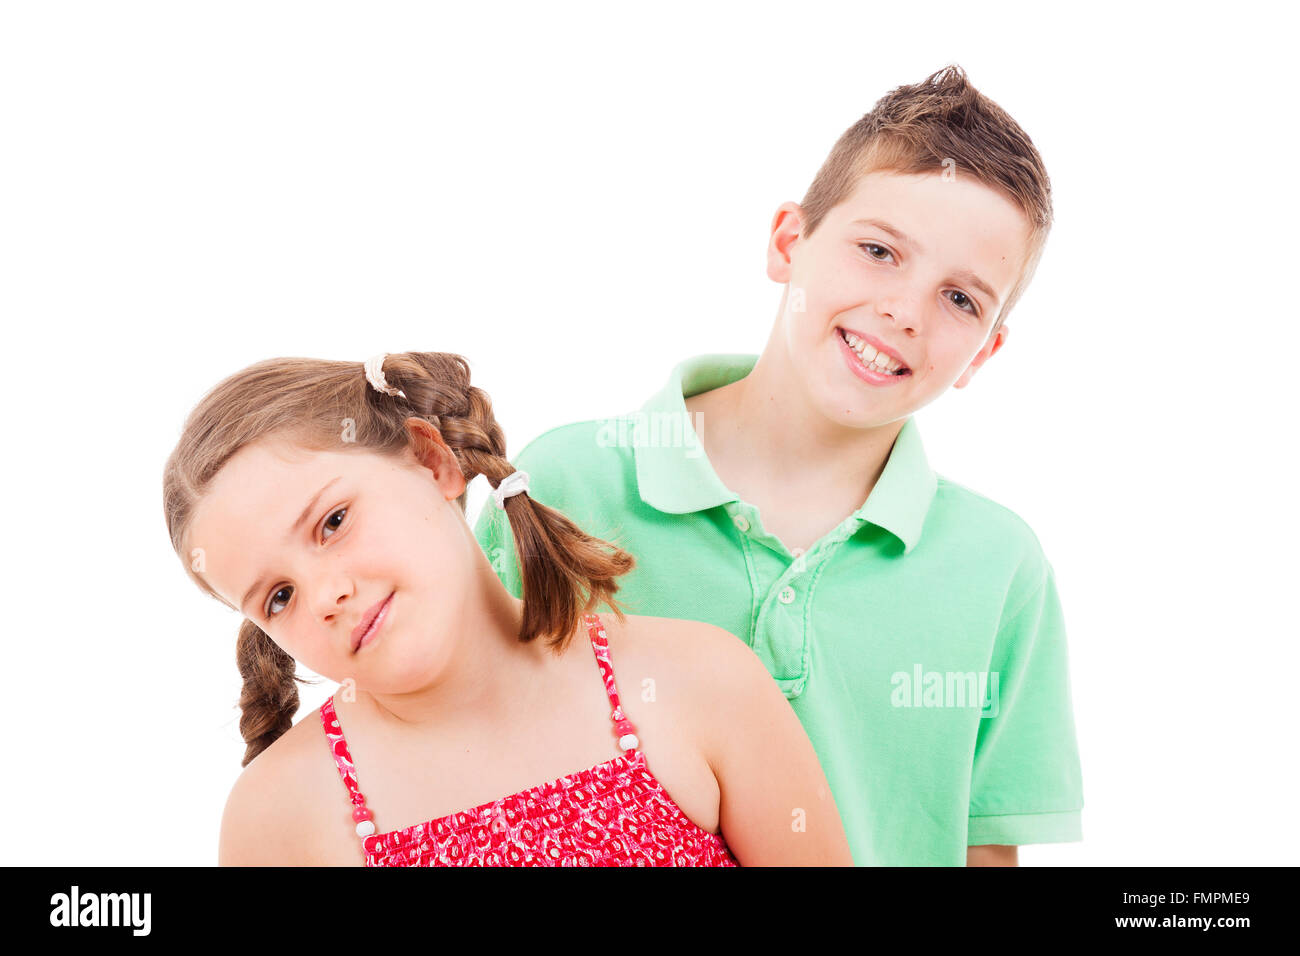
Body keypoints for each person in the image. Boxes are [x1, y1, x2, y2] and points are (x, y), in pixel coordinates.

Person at [475, 64, 1085, 866]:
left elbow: (985, 849)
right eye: (878, 251)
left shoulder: (1000, 568)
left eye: (961, 299)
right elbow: (456, 761)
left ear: (985, 352)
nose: (904, 311)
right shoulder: (566, 484)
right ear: (788, 241)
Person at [162, 351, 852, 866]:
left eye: (333, 522)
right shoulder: (280, 816)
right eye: (278, 597)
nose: (327, 595)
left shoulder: (700, 682)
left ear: (433, 463)